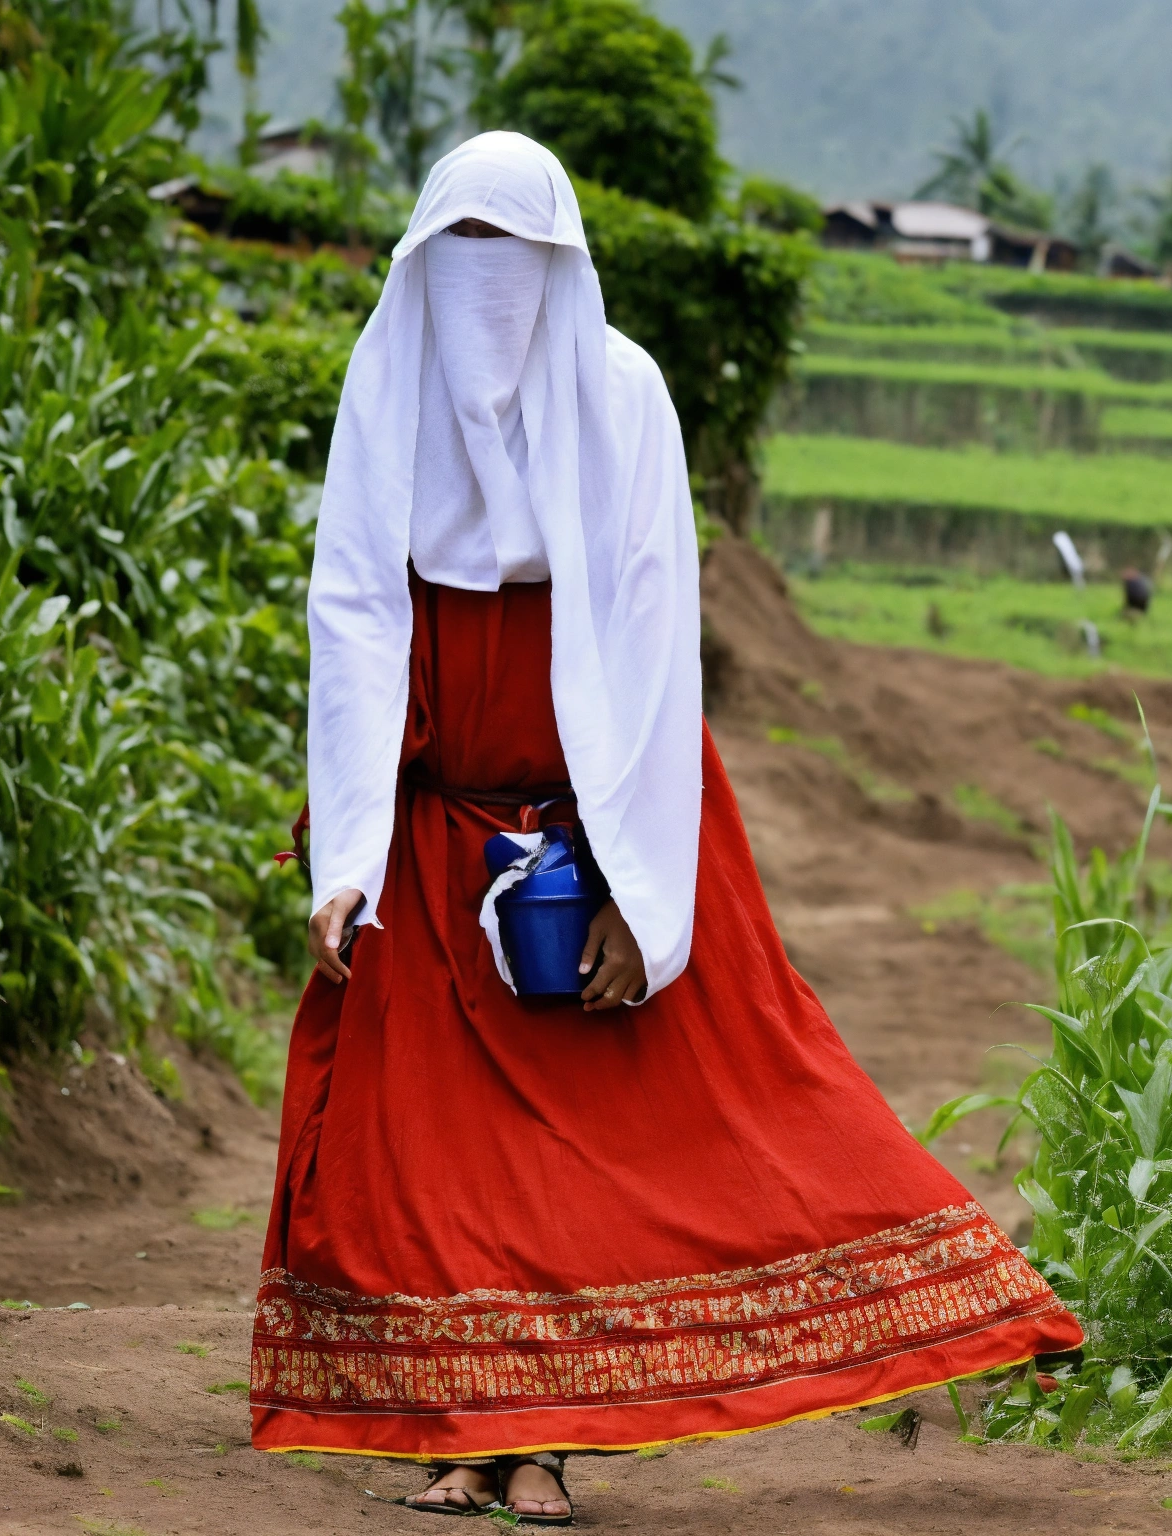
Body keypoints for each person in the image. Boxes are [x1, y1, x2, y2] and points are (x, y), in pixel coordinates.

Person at [253, 132, 1082, 1526]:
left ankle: (547, 1442)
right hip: (431, 828)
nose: (482, 285)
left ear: (559, 265)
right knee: (441, 1163)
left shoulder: (622, 393)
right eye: (455, 252)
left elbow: (646, 632)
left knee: (624, 1145)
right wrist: (346, 852)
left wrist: (641, 883)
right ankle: (467, 1434)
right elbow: (353, 607)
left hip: (585, 832)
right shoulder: (383, 381)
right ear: (419, 264)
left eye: (509, 255)